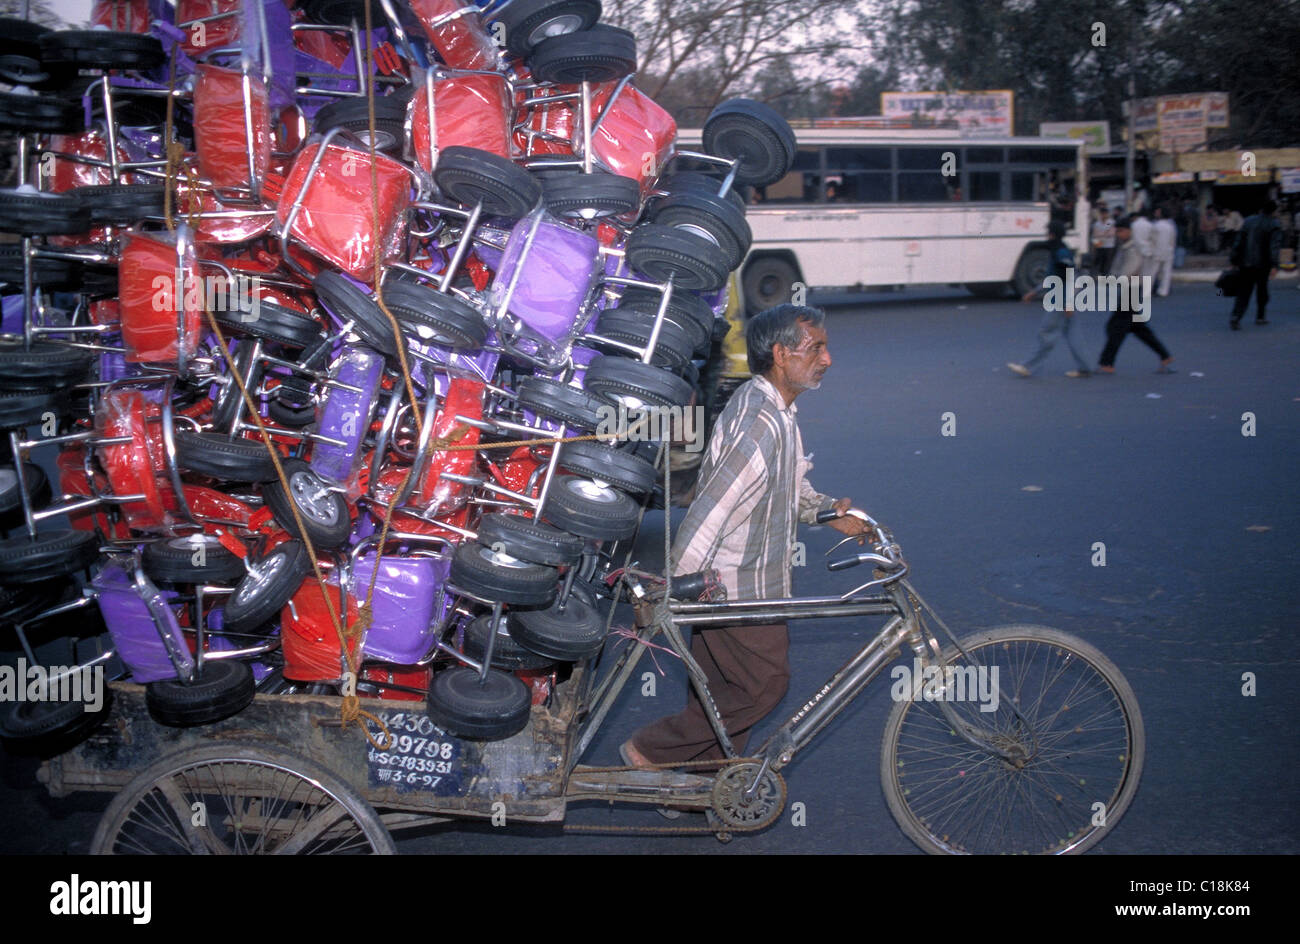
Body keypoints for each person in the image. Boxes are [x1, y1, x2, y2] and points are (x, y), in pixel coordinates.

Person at [621, 305, 871, 772]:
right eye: (815, 347)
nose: (827, 358)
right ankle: (652, 750)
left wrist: (827, 512)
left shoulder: (774, 406)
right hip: (736, 586)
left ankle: (707, 779)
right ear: (780, 354)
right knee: (763, 686)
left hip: (733, 580)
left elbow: (787, 487)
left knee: (722, 689)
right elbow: (712, 508)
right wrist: (677, 586)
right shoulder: (762, 423)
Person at [1007, 219, 1091, 378]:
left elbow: (1069, 277)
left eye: (1048, 233)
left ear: (1052, 234)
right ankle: (1085, 367)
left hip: (1060, 300)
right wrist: (1034, 292)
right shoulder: (1059, 250)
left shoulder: (1060, 252)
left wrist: (1067, 302)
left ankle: (1029, 366)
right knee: (1073, 334)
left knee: (1047, 333)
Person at [1097, 215, 1175, 374]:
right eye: (1117, 231)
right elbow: (1116, 268)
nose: (1118, 234)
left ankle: (1107, 363)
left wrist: (1112, 280)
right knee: (1138, 328)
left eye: (1120, 231)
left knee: (1116, 328)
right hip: (1129, 290)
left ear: (1128, 231)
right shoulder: (1125, 246)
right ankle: (1165, 355)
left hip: (1132, 290)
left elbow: (1127, 271)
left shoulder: (1134, 248)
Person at [1227, 198, 1282, 329]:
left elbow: (1238, 242)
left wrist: (1234, 260)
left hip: (1245, 263)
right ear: (1273, 211)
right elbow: (1274, 247)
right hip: (1263, 264)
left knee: (1243, 292)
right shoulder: (1274, 224)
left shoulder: (1248, 221)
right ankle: (1260, 316)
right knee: (1262, 290)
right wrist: (1275, 265)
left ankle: (1236, 316)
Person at [1152, 205, 1178, 297]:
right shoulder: (1170, 226)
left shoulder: (1155, 226)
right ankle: (1164, 291)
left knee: (1152, 271)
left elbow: (1152, 240)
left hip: (1156, 252)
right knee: (1166, 272)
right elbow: (1173, 240)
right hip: (1168, 251)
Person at [1092, 206, 1116, 276]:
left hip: (1109, 245)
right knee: (1100, 261)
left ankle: (1107, 275)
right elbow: (1095, 234)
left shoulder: (1110, 222)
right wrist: (1096, 246)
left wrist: (1101, 234)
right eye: (1102, 213)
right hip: (1100, 245)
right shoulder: (1097, 223)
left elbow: (1111, 233)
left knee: (1108, 262)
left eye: (1105, 213)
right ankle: (1100, 274)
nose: (1104, 215)